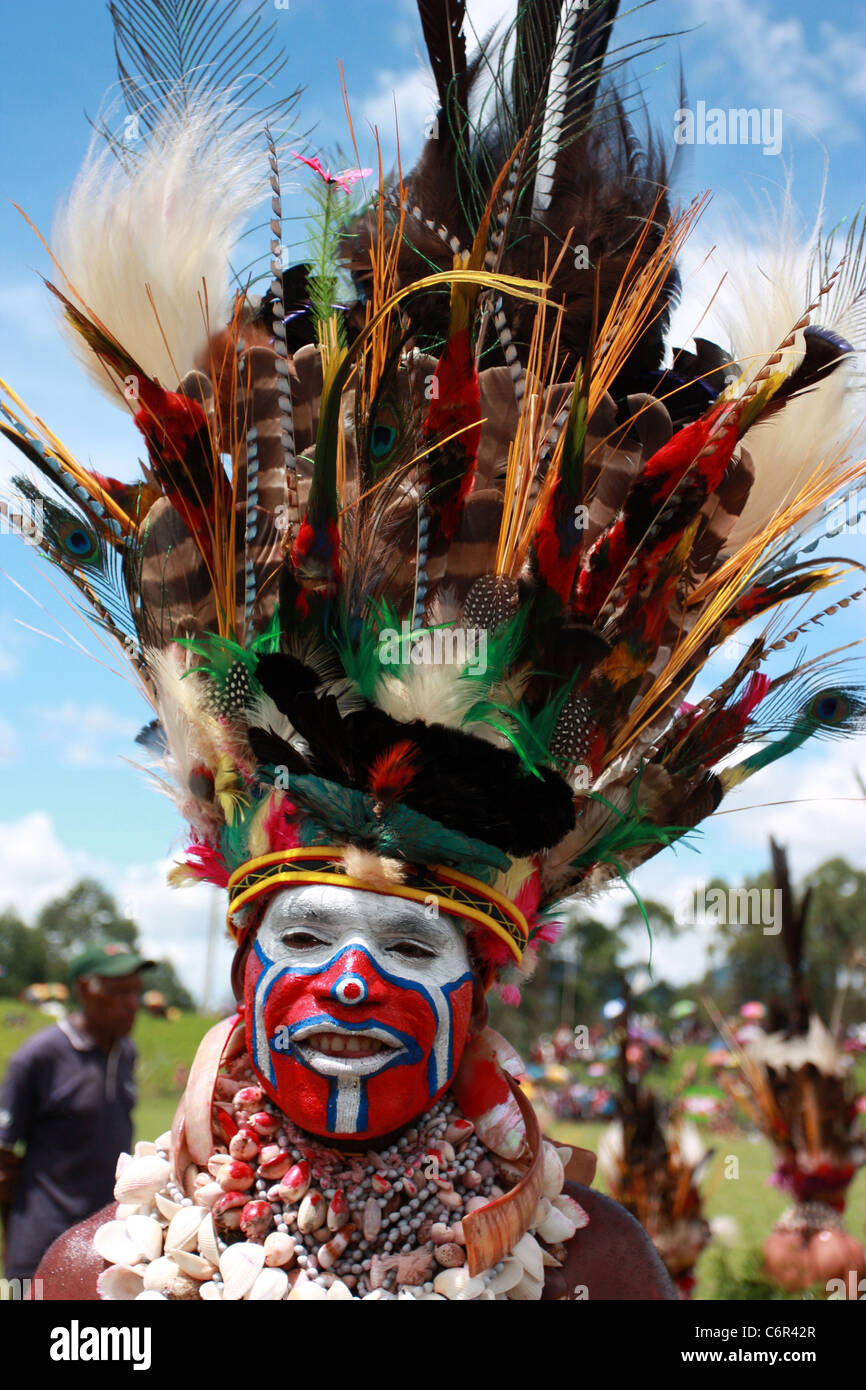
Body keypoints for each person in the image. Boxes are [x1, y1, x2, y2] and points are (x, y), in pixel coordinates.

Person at [5, 0, 865, 1301]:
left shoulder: (593, 1273)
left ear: (484, 994)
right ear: (241, 973)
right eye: (308, 930)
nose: (351, 976)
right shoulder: (98, 1284)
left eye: (412, 948)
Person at [0, 942, 151, 1280]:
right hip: (40, 1244)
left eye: (136, 992)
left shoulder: (125, 1053)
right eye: (119, 991)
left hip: (105, 1243)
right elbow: (3, 1158)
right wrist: (14, 1242)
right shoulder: (41, 1056)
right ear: (85, 989)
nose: (132, 1004)